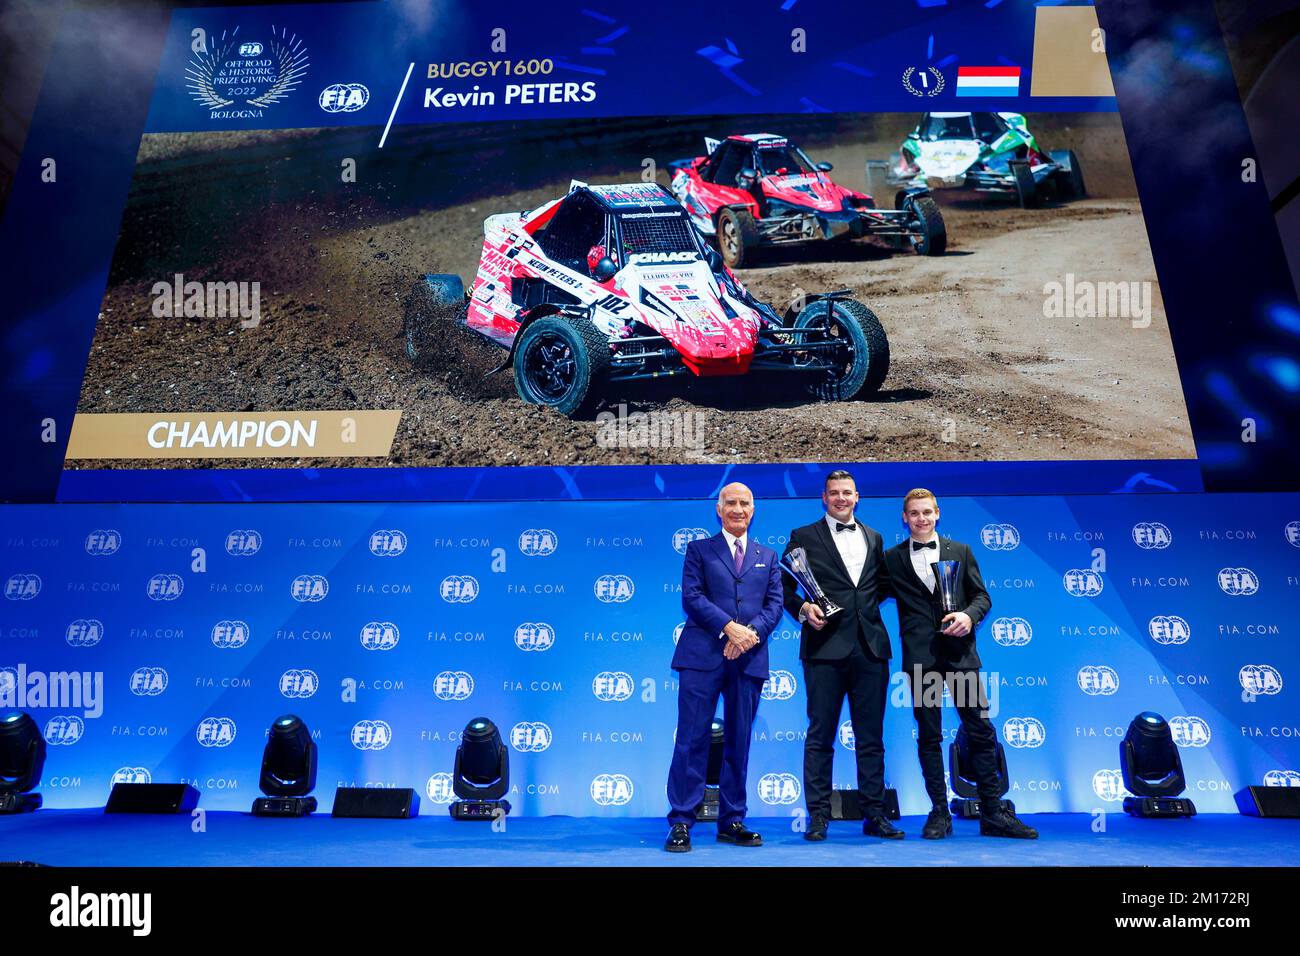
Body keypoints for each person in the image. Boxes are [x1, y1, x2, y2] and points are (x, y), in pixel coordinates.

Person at [883, 488, 1038, 840]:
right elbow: (867, 595)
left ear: (937, 514)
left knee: (981, 733)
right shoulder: (891, 559)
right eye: (914, 513)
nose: (921, 519)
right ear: (904, 518)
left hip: (961, 657)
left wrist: (969, 617)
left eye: (927, 512)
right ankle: (939, 812)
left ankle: (994, 813)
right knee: (929, 736)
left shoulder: (961, 551)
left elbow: (983, 596)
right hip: (921, 660)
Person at [665, 482, 784, 852]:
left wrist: (748, 634)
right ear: (719, 509)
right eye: (730, 503)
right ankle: (682, 820)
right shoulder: (699, 549)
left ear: (753, 509)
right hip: (701, 657)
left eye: (744, 503)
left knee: (739, 739)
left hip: (748, 658)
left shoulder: (769, 555)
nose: (737, 509)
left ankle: (732, 820)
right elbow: (692, 597)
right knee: (691, 738)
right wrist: (728, 628)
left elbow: (775, 605)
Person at [782, 470, 900, 841]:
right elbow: (785, 588)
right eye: (834, 493)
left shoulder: (874, 537)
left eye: (847, 493)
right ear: (823, 498)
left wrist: (859, 610)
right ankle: (818, 816)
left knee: (871, 738)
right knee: (820, 736)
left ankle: (875, 815)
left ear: (857, 497)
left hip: (870, 648)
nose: (841, 498)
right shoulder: (803, 536)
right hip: (824, 649)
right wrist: (804, 610)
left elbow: (878, 587)